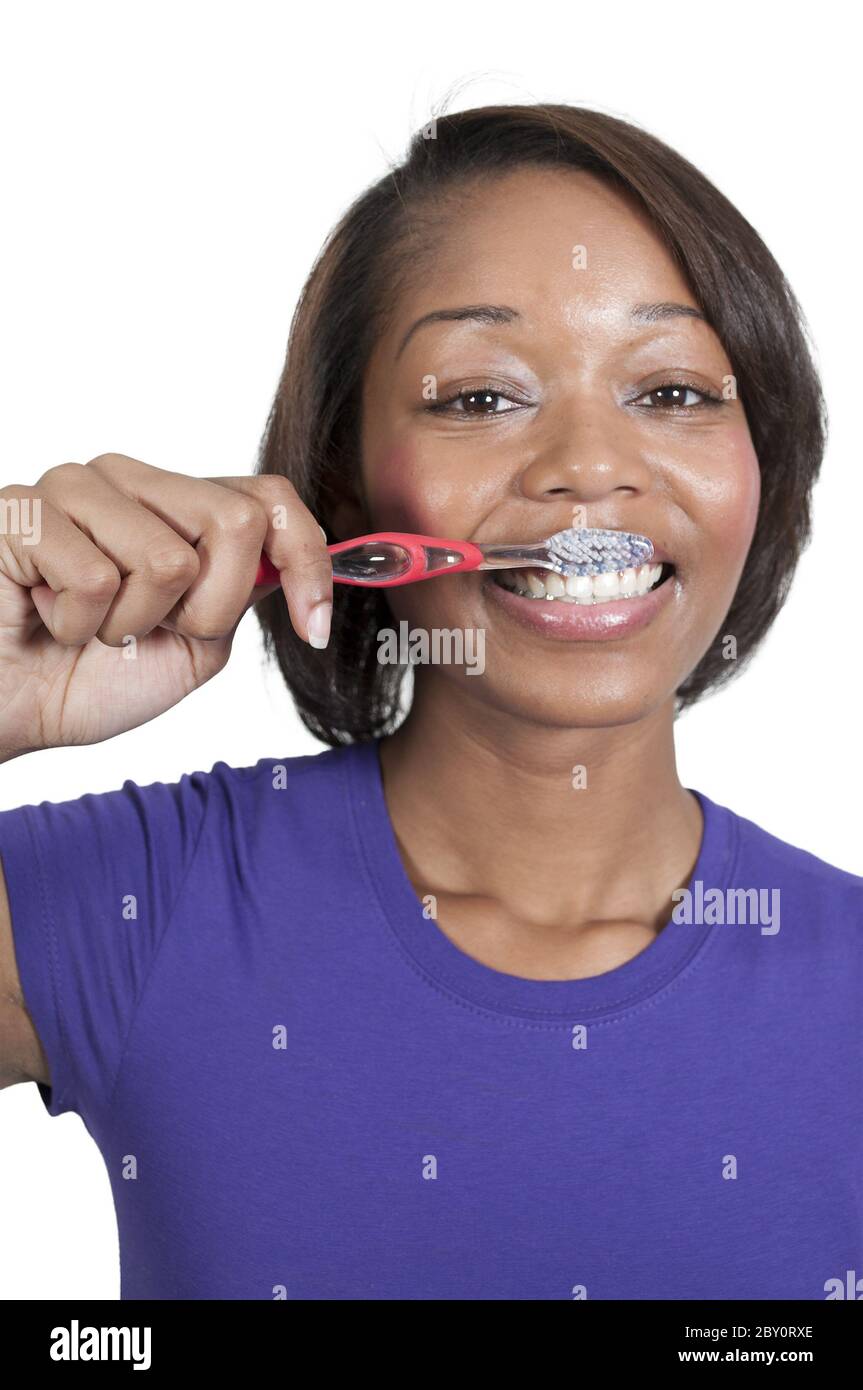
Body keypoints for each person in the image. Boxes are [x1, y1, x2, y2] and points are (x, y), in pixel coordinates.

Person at [1, 104, 859, 1301]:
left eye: (671, 391)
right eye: (478, 397)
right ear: (344, 484)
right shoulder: (147, 896)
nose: (585, 467)